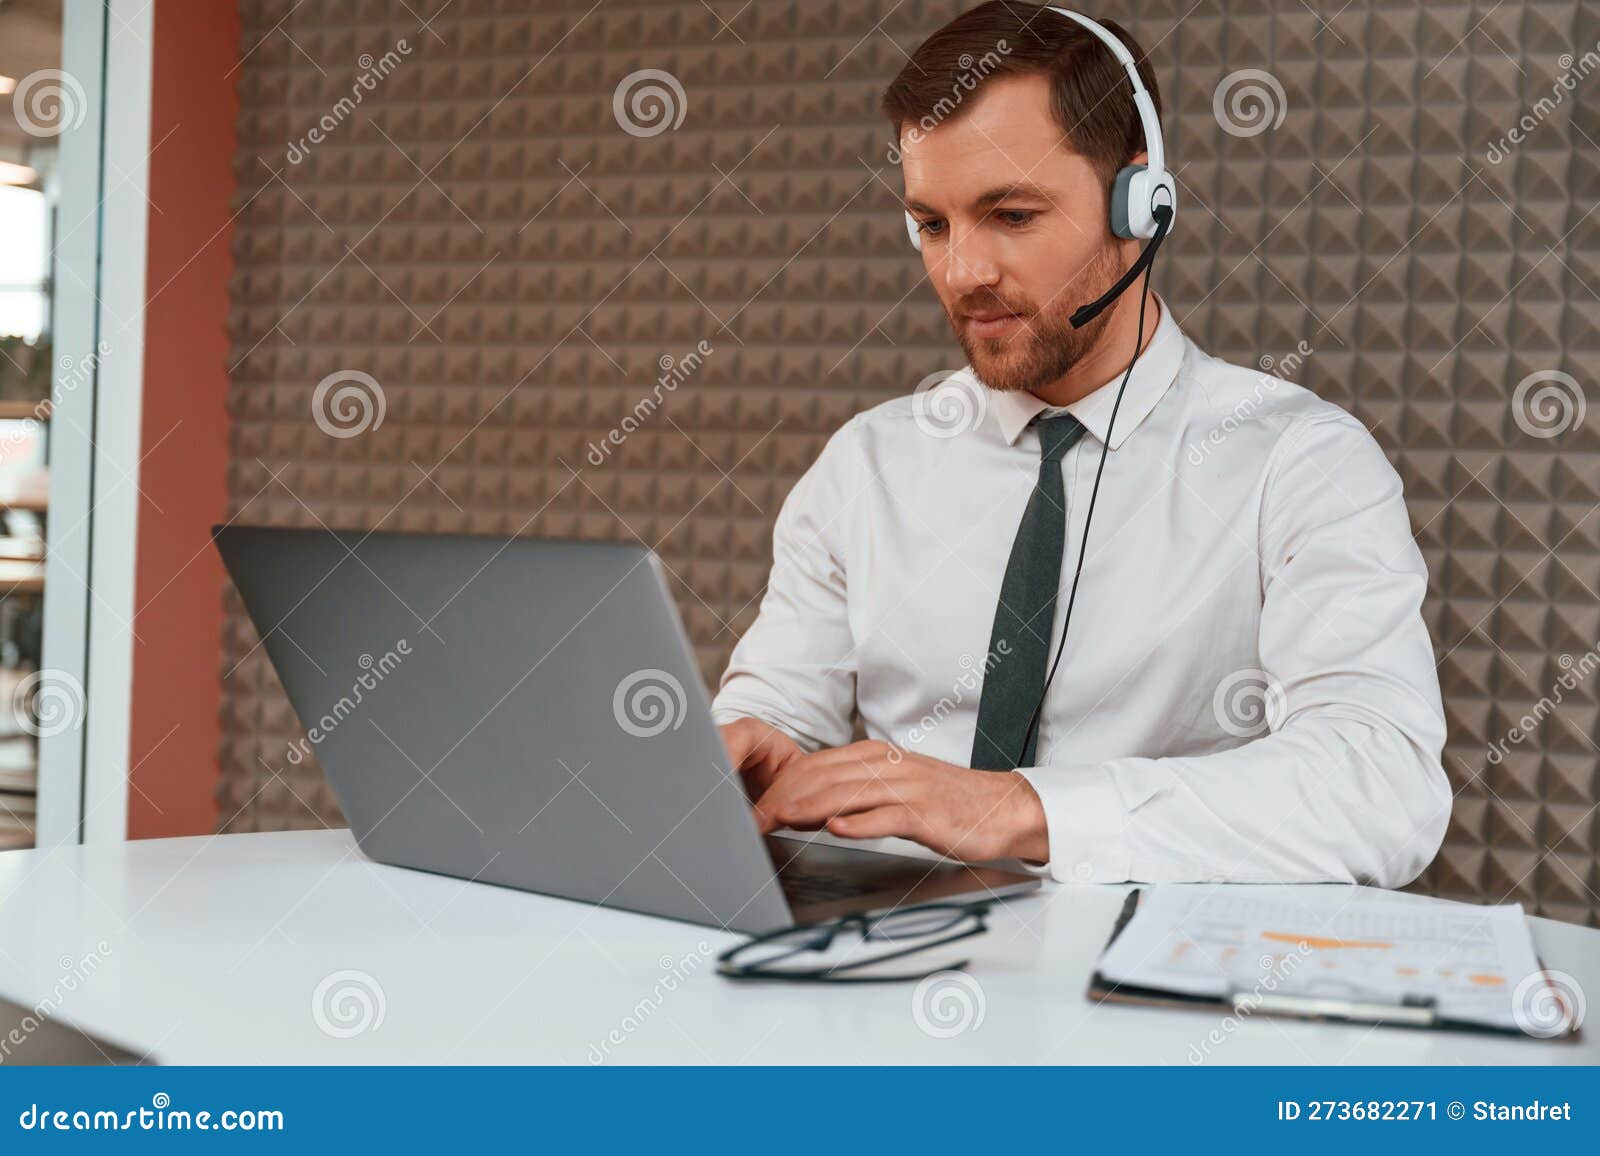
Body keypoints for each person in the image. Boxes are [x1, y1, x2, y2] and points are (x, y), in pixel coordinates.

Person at [711, 2, 1451, 887]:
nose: (961, 273)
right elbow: (782, 703)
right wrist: (755, 744)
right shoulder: (867, 465)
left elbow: (1382, 788)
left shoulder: (1300, 465)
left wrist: (1022, 811)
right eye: (933, 225)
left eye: (1011, 215)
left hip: (1149, 993)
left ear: (1140, 203)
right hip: (878, 973)